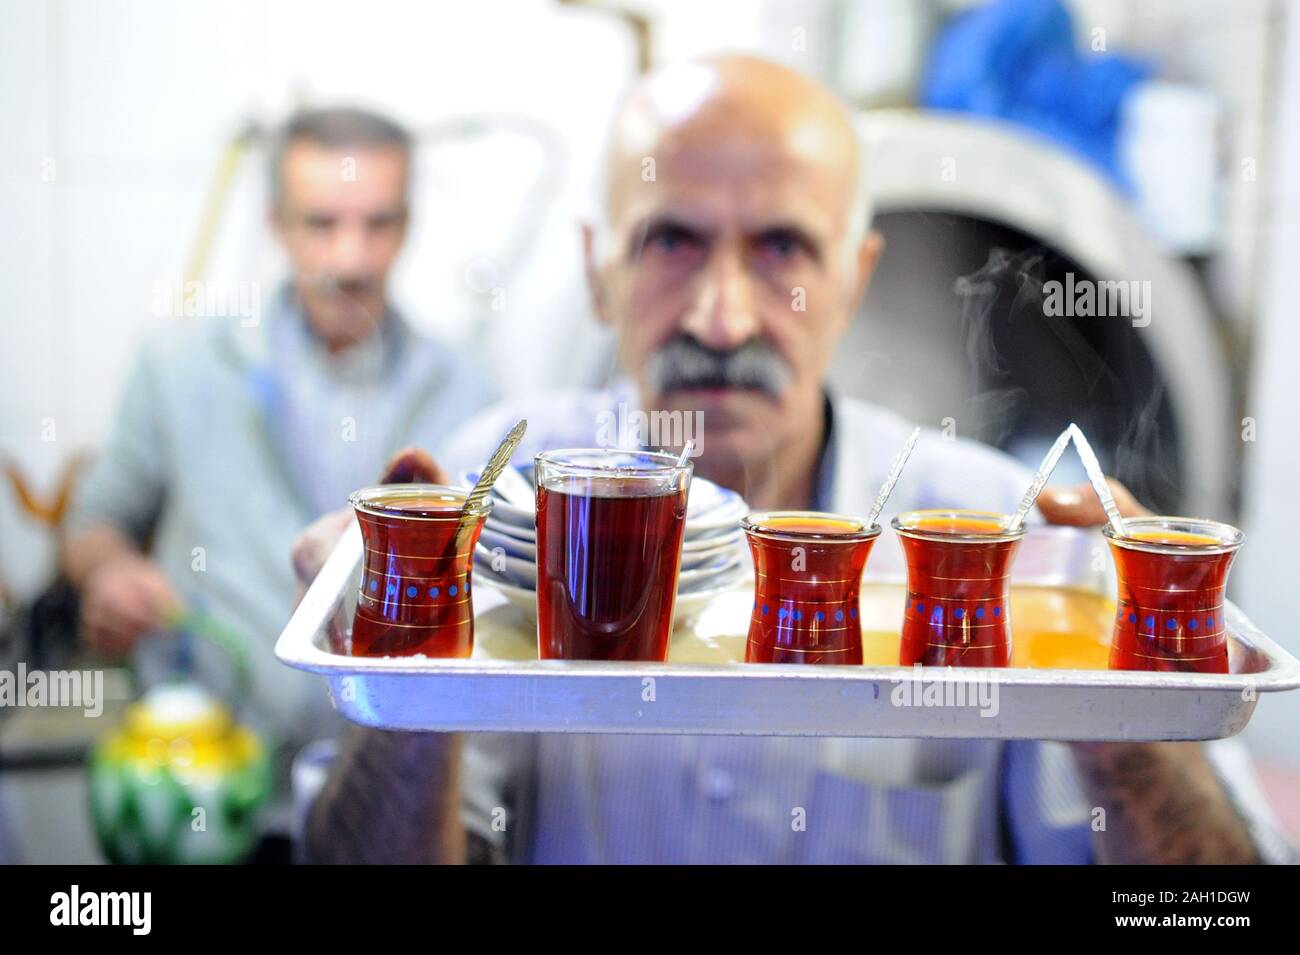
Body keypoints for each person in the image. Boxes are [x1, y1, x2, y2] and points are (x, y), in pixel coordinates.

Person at [293, 58, 1292, 864]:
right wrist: (403, 651)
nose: (721, 318)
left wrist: (1120, 705)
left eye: (780, 250)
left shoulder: (999, 539)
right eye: (670, 242)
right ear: (600, 270)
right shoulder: (492, 507)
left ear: (853, 278)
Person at [63, 107, 496, 825]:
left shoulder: (464, 392)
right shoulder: (182, 367)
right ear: (277, 223)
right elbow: (96, 520)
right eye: (322, 224)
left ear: (409, 224)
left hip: (383, 796)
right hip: (212, 792)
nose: (351, 258)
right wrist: (108, 571)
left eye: (378, 224)